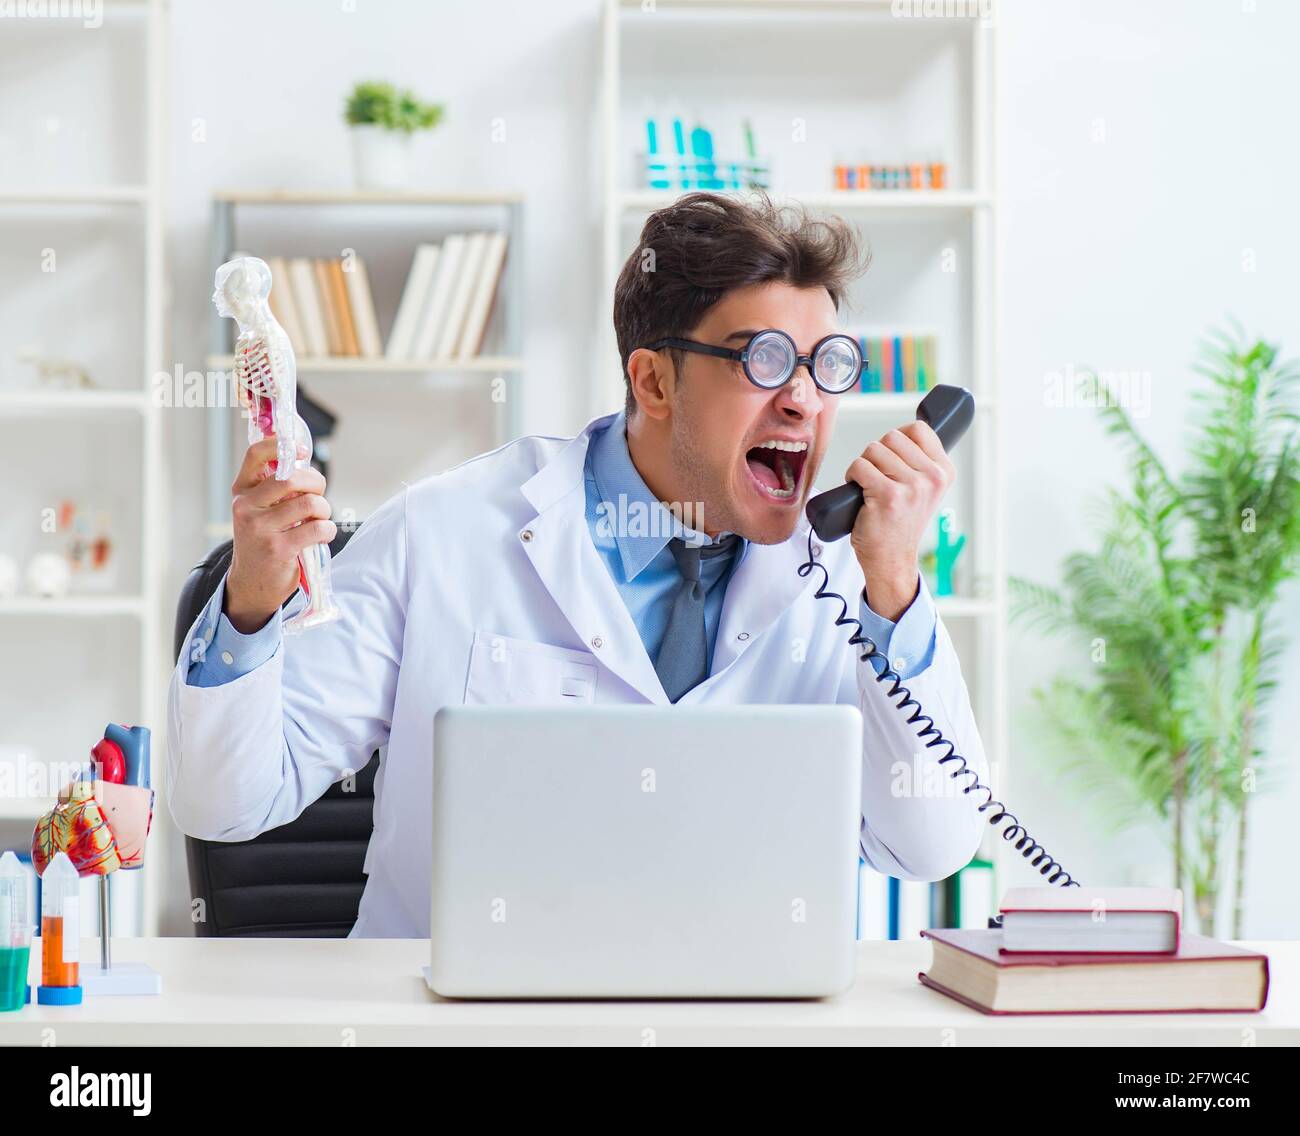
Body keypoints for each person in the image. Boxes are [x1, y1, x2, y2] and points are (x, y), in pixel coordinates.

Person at [168, 192, 987, 938]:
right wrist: (251, 598)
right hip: (462, 1032)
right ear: (654, 380)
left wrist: (895, 590)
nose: (805, 400)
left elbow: (931, 845)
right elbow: (227, 801)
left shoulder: (851, 581)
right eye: (764, 360)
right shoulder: (443, 532)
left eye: (827, 364)